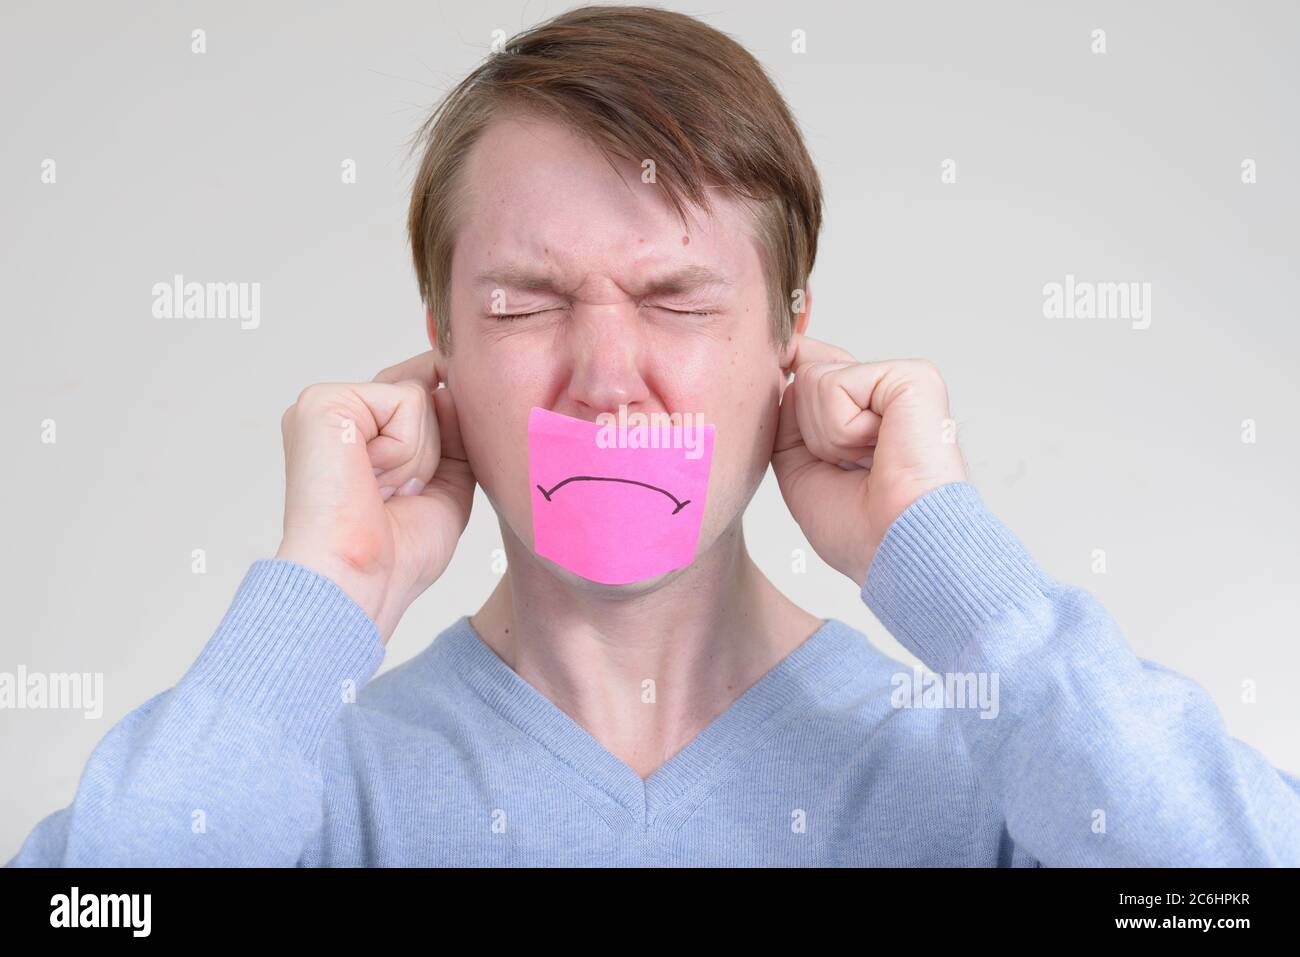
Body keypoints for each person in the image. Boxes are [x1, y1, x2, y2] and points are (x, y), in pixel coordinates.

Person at [8, 4, 1300, 867]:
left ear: (793, 339)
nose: (608, 376)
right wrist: (322, 593)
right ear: (439, 348)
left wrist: (962, 578)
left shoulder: (997, 767)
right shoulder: (300, 787)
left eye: (680, 299)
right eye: (525, 304)